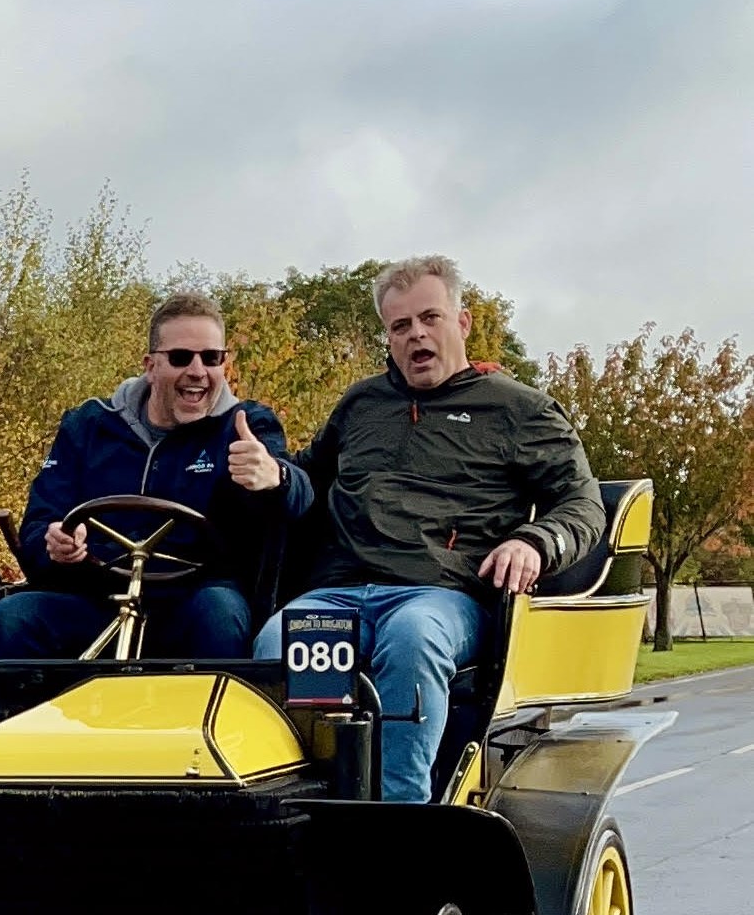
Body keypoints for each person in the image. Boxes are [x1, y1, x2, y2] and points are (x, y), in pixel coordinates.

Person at [256, 254, 605, 802]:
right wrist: (271, 472)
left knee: (411, 637)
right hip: (341, 592)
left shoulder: (520, 410)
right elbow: (307, 474)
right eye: (400, 326)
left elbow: (581, 503)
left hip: (439, 596)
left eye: (429, 318)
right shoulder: (361, 403)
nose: (416, 334)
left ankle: (401, 815)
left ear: (461, 323)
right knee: (277, 641)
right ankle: (312, 805)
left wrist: (533, 541)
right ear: (389, 338)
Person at [0, 291, 311, 660]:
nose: (197, 371)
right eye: (180, 357)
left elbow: (301, 497)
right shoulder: (88, 426)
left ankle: (210, 716)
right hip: (96, 599)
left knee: (220, 612)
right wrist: (57, 545)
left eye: (211, 358)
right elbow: (40, 524)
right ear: (150, 365)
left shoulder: (246, 426)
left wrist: (276, 476)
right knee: (14, 616)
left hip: (195, 602)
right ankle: (32, 716)